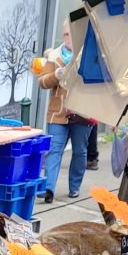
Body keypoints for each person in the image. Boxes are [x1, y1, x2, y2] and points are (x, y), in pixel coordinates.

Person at [39, 22, 94, 204]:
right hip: (58, 114)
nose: (68, 38)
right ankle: (48, 189)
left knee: (80, 152)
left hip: (82, 113)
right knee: (54, 151)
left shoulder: (90, 53)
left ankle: (74, 187)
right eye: (65, 35)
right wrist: (56, 74)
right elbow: (42, 82)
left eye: (71, 34)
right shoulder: (54, 56)